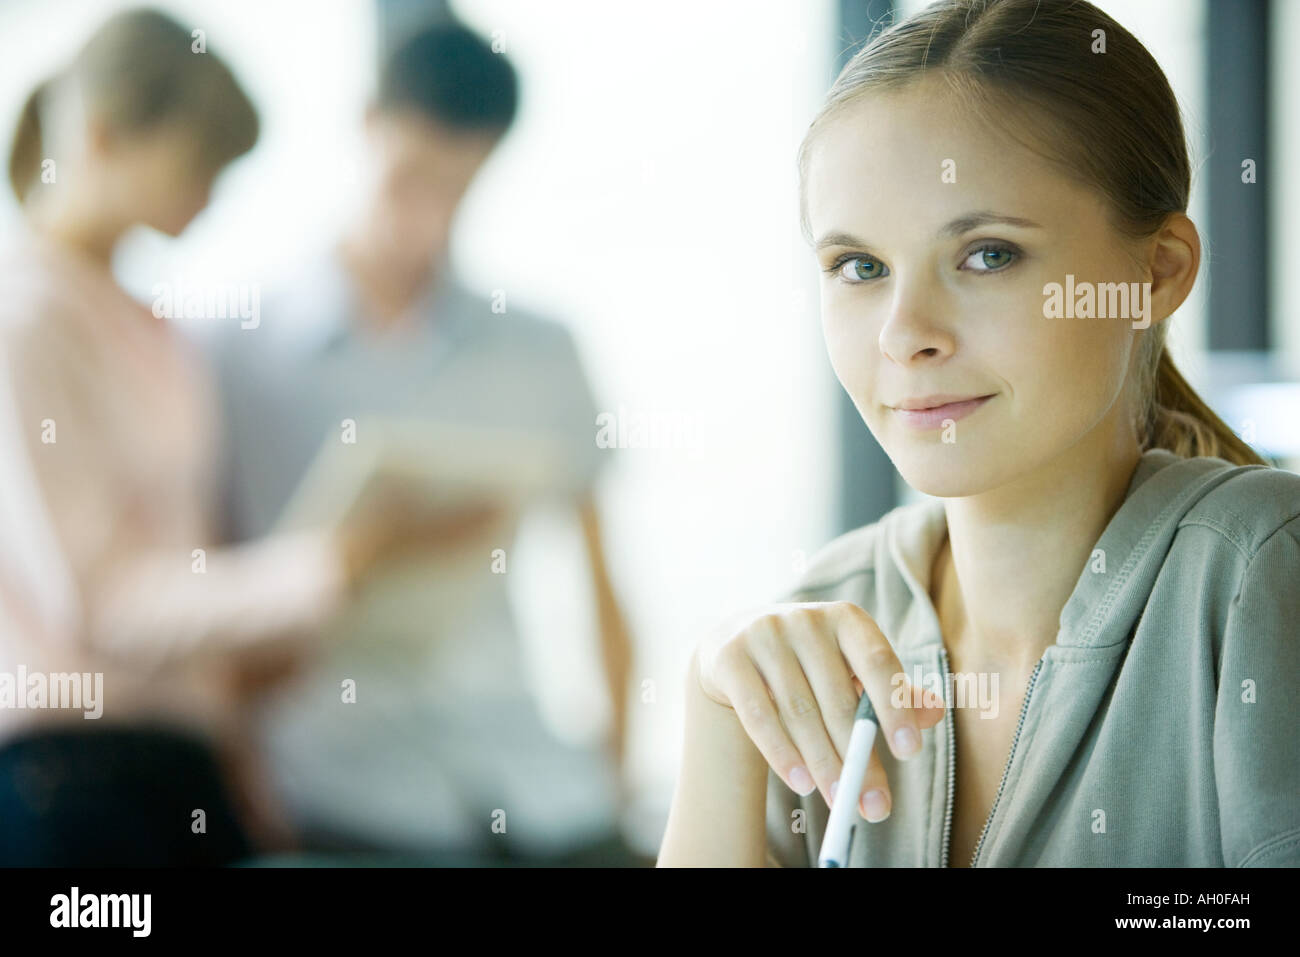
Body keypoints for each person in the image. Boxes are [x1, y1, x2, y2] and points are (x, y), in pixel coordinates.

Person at [659, 0, 1300, 867]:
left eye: (987, 254)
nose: (904, 331)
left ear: (1156, 271)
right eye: (861, 267)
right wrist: (714, 709)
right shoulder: (817, 628)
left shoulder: (1255, 568)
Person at [0, 7, 468, 867]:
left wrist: (246, 752)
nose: (210, 196)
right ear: (104, 134)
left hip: (186, 764)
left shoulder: (157, 330)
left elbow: (188, 561)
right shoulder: (24, 320)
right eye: (198, 167)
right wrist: (334, 564)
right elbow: (97, 602)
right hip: (70, 776)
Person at [205, 20, 644, 865]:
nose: (428, 220)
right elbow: (200, 587)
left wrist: (617, 769)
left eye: (459, 187)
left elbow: (604, 583)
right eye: (411, 180)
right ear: (367, 122)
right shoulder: (235, 353)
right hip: (340, 792)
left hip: (542, 785)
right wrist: (241, 780)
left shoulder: (542, 351)